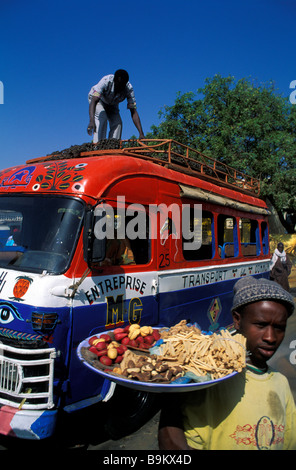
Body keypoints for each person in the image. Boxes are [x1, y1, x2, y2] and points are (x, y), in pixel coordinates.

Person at [158, 276, 296, 450]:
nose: (270, 337)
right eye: (261, 325)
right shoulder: (211, 380)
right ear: (237, 320)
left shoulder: (281, 384)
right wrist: (169, 394)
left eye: (279, 327)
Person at [87, 69, 145, 143]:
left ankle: (112, 146)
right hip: (99, 100)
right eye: (118, 86)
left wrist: (141, 133)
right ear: (114, 82)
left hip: (112, 104)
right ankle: (98, 146)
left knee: (118, 123)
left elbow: (133, 111)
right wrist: (91, 121)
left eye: (122, 86)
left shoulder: (129, 89)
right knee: (102, 118)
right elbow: (94, 101)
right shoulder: (106, 81)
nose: (119, 88)